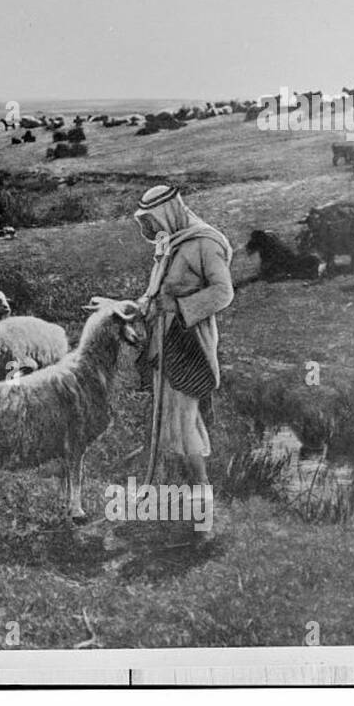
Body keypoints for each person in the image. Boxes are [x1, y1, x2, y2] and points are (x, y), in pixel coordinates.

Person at [132, 185, 234, 533]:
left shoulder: (205, 242)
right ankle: (178, 505)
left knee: (185, 425)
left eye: (154, 219)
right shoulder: (173, 243)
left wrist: (177, 306)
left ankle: (202, 514)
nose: (153, 227)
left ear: (169, 211)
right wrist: (145, 305)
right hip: (165, 341)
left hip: (189, 343)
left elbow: (223, 292)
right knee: (172, 424)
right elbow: (159, 291)